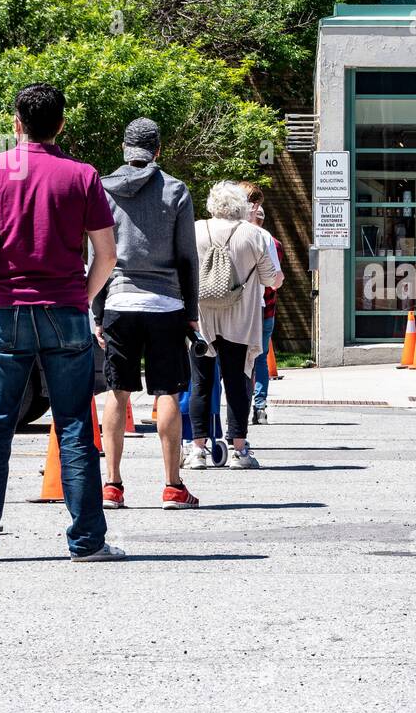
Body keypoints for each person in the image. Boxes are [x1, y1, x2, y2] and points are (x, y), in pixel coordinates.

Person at [0, 83, 124, 562]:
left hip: (6, 313)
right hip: (65, 311)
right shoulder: (83, 176)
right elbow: (107, 254)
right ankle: (87, 540)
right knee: (73, 425)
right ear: (61, 124)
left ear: (16, 123)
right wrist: (80, 298)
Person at [93, 118, 200, 511]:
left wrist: (98, 311)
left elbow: (98, 255)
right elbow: (188, 256)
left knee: (116, 393)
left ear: (125, 148)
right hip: (166, 304)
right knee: (167, 391)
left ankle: (112, 486)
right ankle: (173, 486)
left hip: (119, 301)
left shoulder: (103, 189)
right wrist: (191, 311)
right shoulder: (175, 190)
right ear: (158, 150)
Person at [184, 181, 282, 470]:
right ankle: (239, 450)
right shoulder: (254, 235)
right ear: (241, 206)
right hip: (240, 319)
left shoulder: (196, 229)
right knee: (238, 383)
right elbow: (270, 279)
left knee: (200, 383)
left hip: (203, 318)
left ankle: (198, 450)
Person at [249, 204, 284, 425]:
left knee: (239, 359)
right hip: (267, 309)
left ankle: (239, 405)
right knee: (260, 359)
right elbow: (276, 279)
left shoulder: (244, 238)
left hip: (245, 310)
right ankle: (259, 406)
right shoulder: (275, 243)